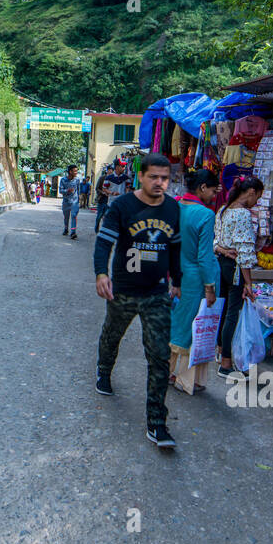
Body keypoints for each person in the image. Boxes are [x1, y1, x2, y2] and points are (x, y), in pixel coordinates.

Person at [93, 153, 183, 449]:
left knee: (159, 355)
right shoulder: (122, 206)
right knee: (112, 335)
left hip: (157, 294)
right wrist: (100, 274)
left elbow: (175, 248)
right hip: (124, 291)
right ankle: (104, 370)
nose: (160, 183)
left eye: (165, 178)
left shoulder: (173, 209)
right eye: (154, 177)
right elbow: (104, 241)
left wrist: (178, 281)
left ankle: (157, 423)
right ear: (140, 176)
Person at [168, 170, 222, 393]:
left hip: (176, 275)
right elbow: (204, 256)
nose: (214, 194)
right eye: (212, 189)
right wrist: (210, 287)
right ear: (202, 188)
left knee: (176, 325)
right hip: (195, 279)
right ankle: (186, 379)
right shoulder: (205, 214)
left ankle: (167, 372)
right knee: (194, 329)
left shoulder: (175, 207)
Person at [213, 176, 263, 380]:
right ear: (251, 192)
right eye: (257, 197)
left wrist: (223, 250)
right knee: (232, 312)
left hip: (222, 264)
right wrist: (249, 283)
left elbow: (216, 240)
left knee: (224, 309)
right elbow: (245, 251)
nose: (256, 202)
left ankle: (219, 351)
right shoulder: (243, 214)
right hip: (235, 268)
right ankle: (226, 363)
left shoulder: (224, 210)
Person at [96, 158, 131, 234]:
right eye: (122, 166)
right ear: (117, 167)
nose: (124, 168)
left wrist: (126, 193)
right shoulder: (108, 178)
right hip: (111, 203)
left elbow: (128, 187)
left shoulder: (126, 178)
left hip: (122, 204)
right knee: (108, 220)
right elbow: (104, 188)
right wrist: (112, 193)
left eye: (124, 166)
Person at [58, 164, 81, 239]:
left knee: (74, 216)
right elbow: (60, 190)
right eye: (75, 171)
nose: (76, 172)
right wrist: (67, 190)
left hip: (75, 201)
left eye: (76, 171)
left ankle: (73, 232)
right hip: (66, 201)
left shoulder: (77, 180)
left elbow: (78, 190)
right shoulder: (63, 180)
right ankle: (66, 229)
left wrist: (79, 199)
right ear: (70, 172)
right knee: (66, 217)